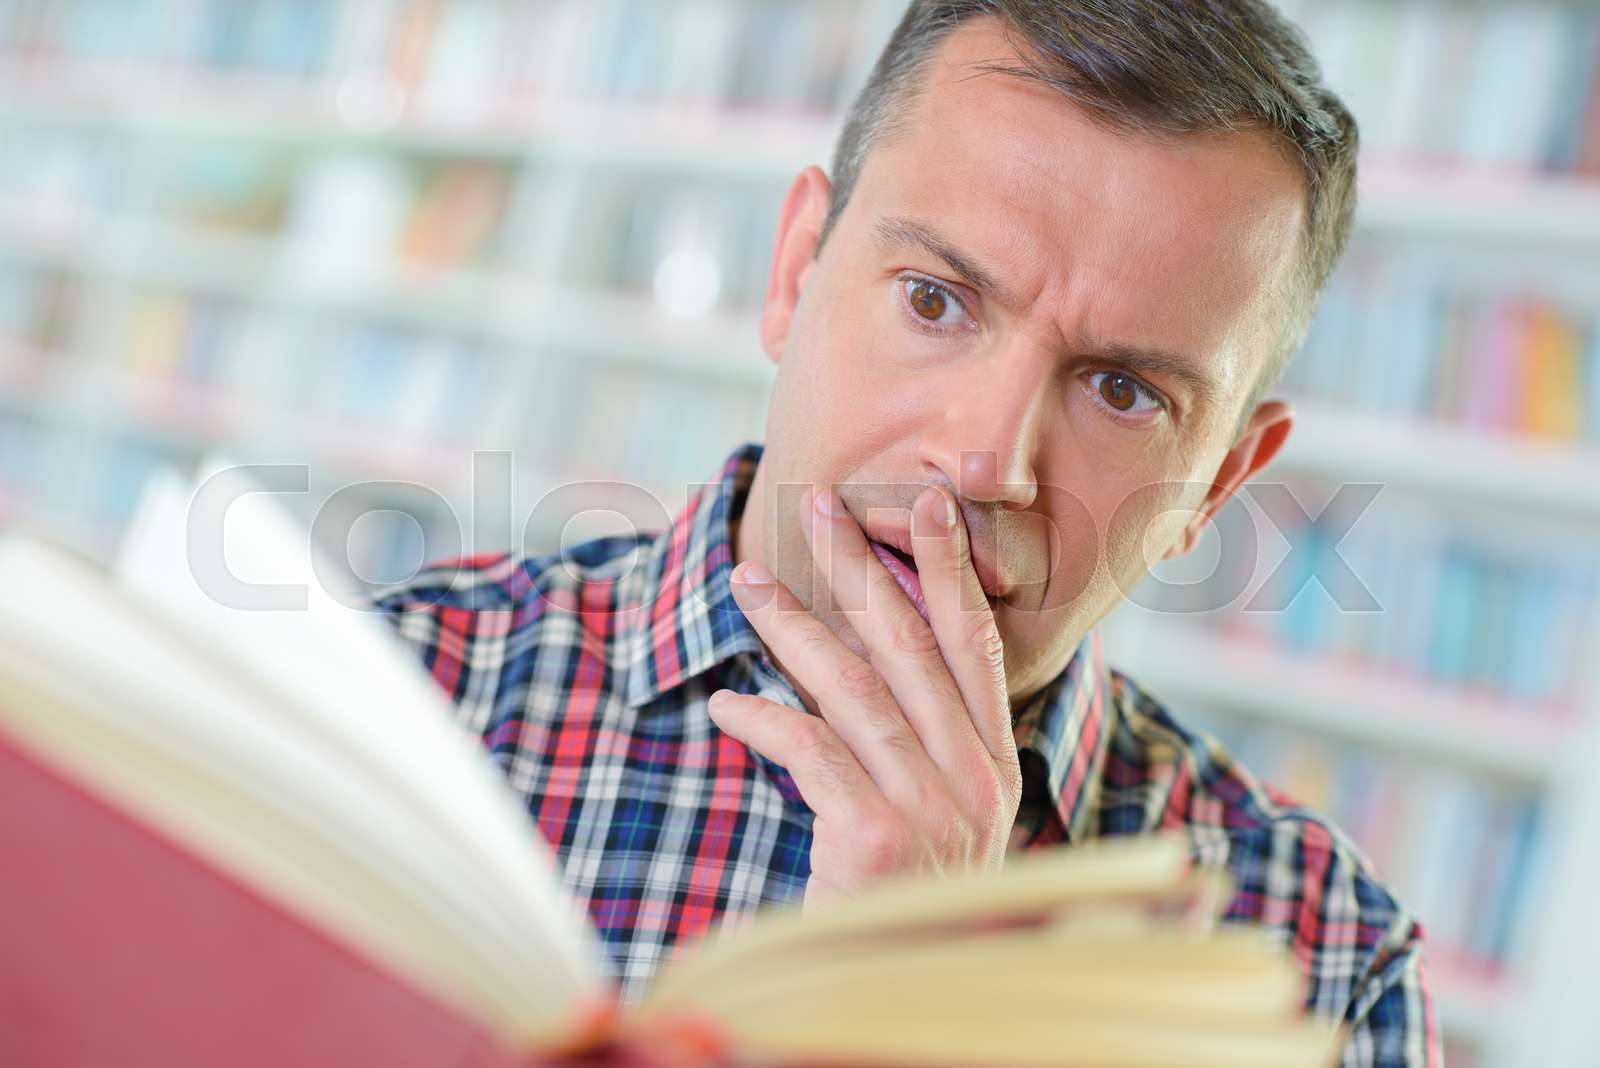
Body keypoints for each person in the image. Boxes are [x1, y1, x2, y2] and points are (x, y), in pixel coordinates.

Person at [374, 2, 1436, 1064]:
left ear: (1215, 487)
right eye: (934, 302)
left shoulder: (1323, 968)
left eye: (1122, 390)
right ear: (795, 271)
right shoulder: (404, 696)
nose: (985, 462)